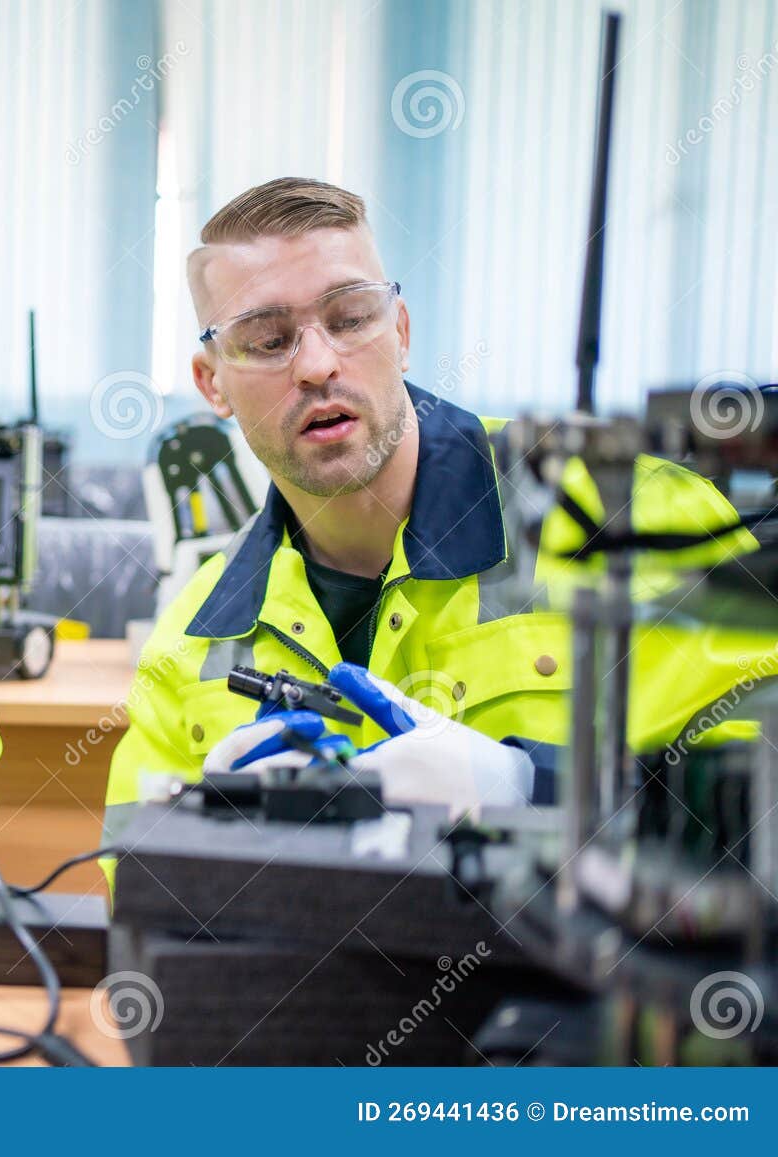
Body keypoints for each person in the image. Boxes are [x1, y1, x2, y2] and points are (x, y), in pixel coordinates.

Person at [103, 176, 759, 840]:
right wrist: (203, 845)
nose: (318, 364)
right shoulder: (190, 644)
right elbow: (125, 883)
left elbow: (759, 827)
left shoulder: (635, 522)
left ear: (401, 330)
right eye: (269, 340)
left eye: (351, 317)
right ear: (212, 382)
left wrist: (529, 788)